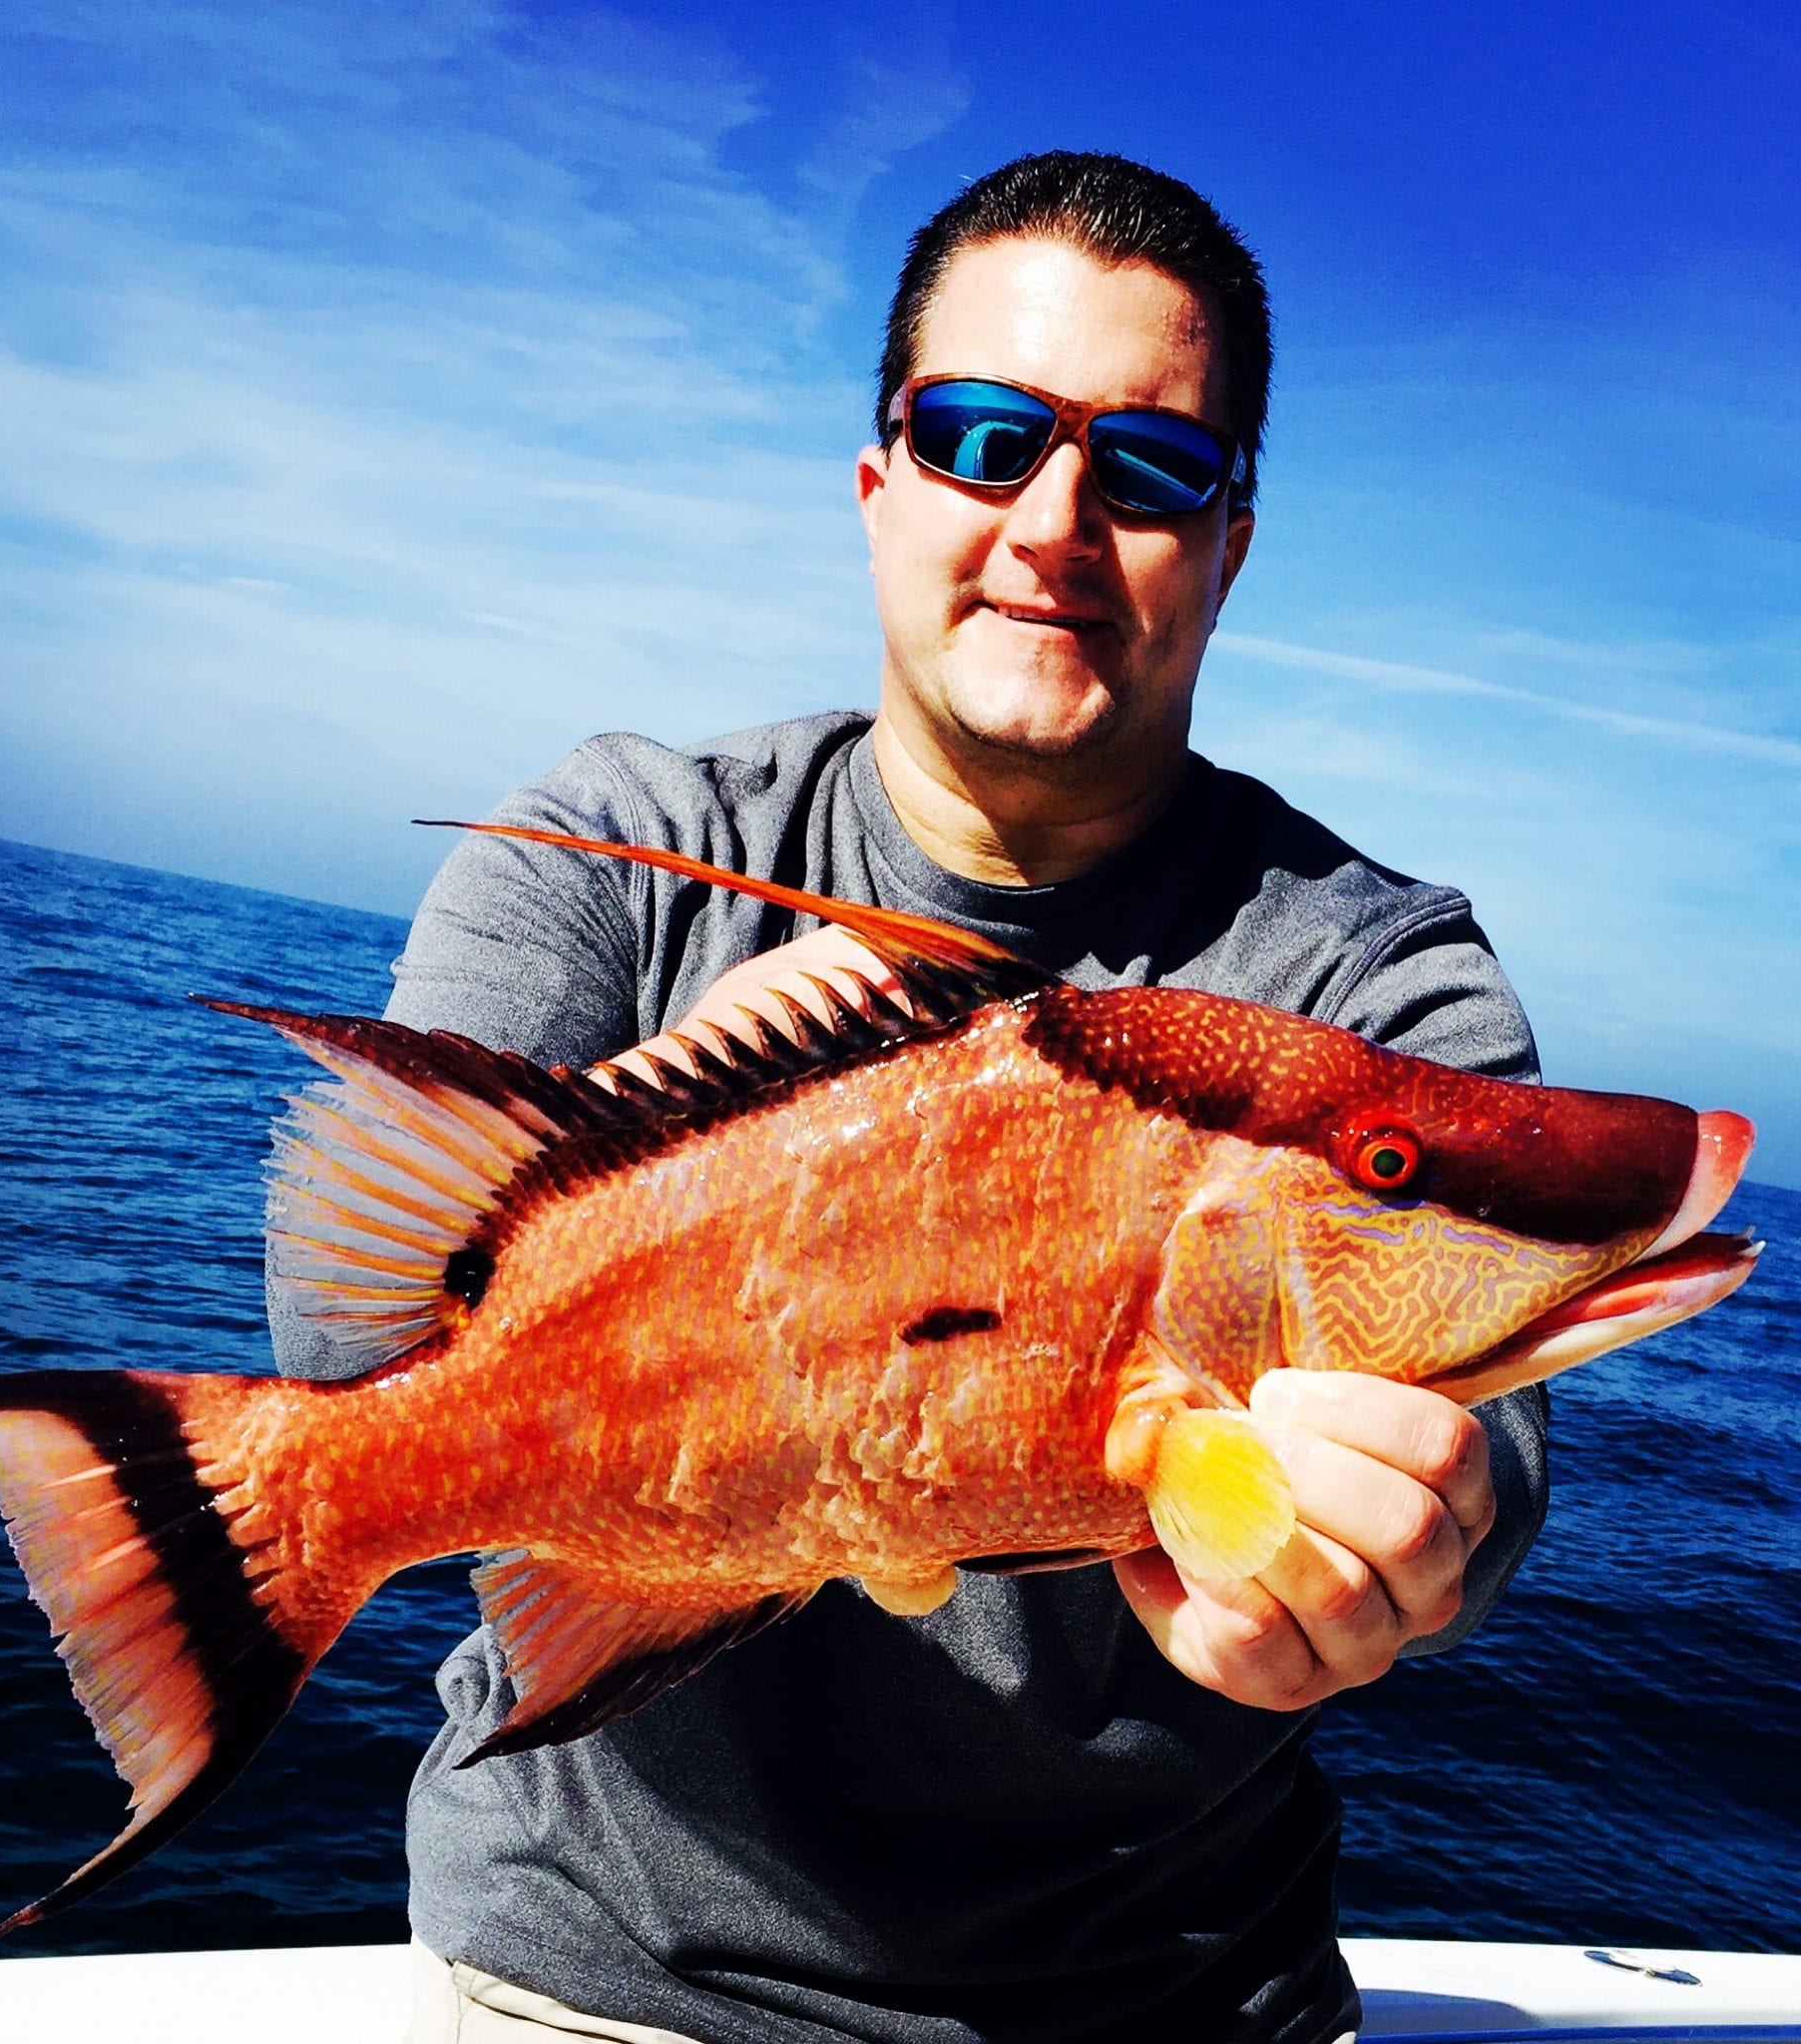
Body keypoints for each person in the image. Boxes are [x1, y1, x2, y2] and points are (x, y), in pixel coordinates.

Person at [273, 151, 1547, 2044]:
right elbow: (339, 1349)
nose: (1054, 522)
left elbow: (1496, 1404)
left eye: (1152, 466)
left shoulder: (1367, 975)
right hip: (590, 1983)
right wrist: (672, 1158)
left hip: (1176, 2006)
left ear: (1233, 538)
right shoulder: (620, 842)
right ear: (879, 489)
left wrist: (1410, 1532)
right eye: (983, 436)